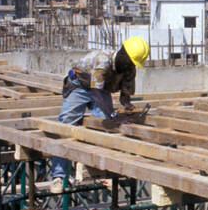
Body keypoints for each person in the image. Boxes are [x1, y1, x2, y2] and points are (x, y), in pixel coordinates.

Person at [49, 36, 149, 184]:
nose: (130, 65)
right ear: (123, 54)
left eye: (132, 63)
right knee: (66, 126)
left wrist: (127, 105)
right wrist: (113, 114)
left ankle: (98, 169)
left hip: (101, 90)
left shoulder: (129, 69)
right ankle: (59, 174)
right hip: (80, 86)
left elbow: (125, 95)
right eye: (129, 61)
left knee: (107, 127)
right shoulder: (103, 61)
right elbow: (96, 92)